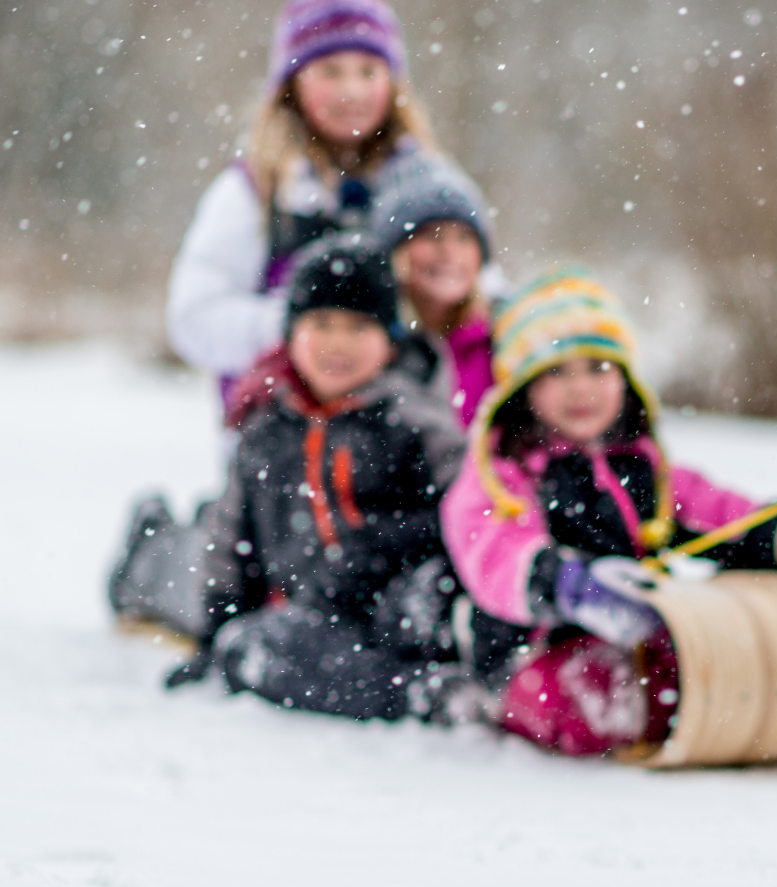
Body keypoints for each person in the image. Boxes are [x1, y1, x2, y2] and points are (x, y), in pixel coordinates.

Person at [440, 267, 777, 755]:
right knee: (587, 697)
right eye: (556, 372)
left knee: (722, 663)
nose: (580, 388)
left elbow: (719, 515)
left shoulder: (641, 466)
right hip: (529, 651)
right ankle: (506, 705)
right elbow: (495, 550)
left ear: (625, 377)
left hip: (636, 639)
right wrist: (570, 585)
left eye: (598, 368)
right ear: (522, 388)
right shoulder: (504, 471)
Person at [116, 238, 478, 723]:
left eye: (358, 327)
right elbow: (231, 541)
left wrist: (389, 545)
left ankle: (411, 679)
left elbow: (469, 509)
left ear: (389, 340)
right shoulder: (268, 427)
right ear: (291, 335)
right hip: (297, 607)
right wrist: (214, 635)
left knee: (416, 610)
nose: (338, 343)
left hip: (387, 603)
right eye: (321, 324)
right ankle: (148, 546)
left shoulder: (414, 421)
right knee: (234, 628)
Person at [165, 0, 471, 396]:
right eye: (330, 71)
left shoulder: (430, 187)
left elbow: (480, 300)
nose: (352, 90)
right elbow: (194, 320)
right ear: (293, 83)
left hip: (410, 434)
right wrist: (308, 328)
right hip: (283, 435)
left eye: (368, 70)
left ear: (393, 82)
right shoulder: (254, 189)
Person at [370, 160, 500, 427]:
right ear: (396, 252)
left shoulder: (503, 339)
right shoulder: (372, 344)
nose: (449, 252)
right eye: (431, 236)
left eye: (464, 238)